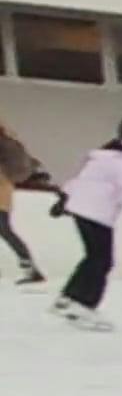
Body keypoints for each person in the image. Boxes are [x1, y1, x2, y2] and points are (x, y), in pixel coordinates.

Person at [50, 116, 122, 328]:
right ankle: (83, 305)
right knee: (102, 260)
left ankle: (69, 297)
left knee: (93, 256)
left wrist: (65, 198)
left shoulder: (105, 156)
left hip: (82, 209)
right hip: (97, 213)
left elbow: (80, 179)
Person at [0, 117, 50, 286]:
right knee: (4, 229)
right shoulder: (9, 140)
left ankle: (30, 268)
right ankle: (30, 268)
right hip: (3, 189)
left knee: (4, 229)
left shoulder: (5, 142)